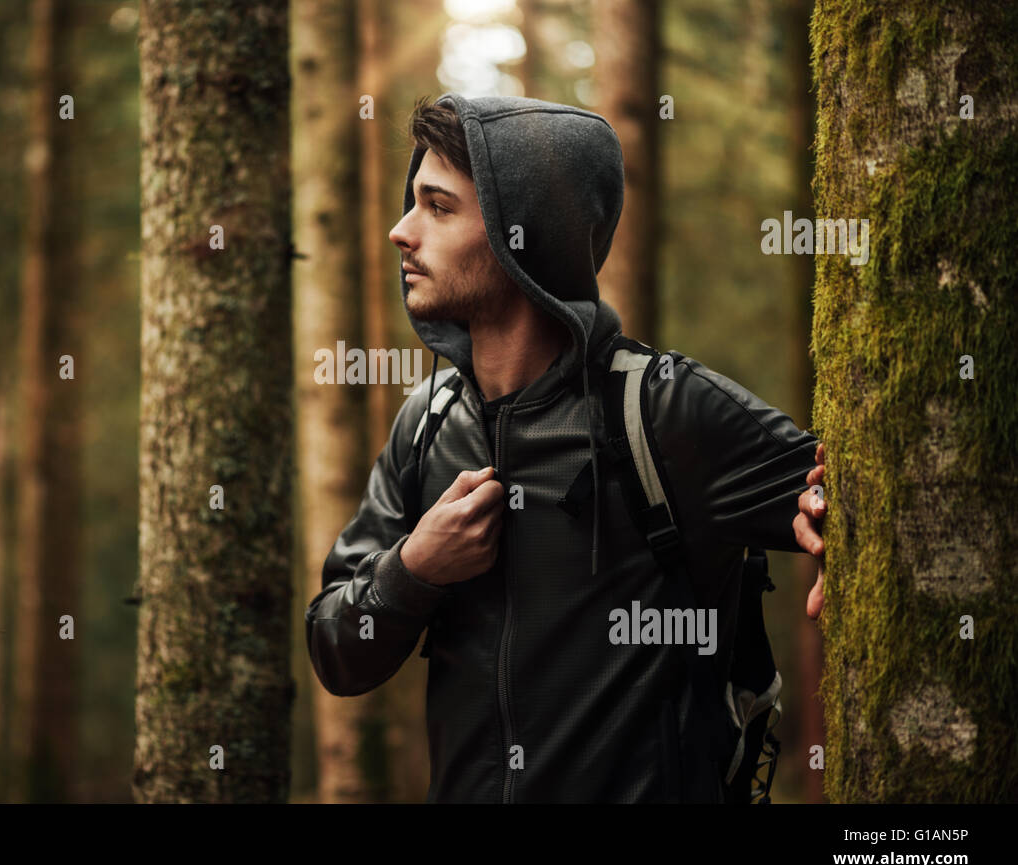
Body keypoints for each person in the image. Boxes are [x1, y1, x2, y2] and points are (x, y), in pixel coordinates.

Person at [305, 92, 826, 802]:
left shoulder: (662, 411)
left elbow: (851, 492)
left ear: (525, 236)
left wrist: (839, 537)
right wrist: (414, 568)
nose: (401, 230)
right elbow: (336, 652)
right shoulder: (426, 424)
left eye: (438, 206)